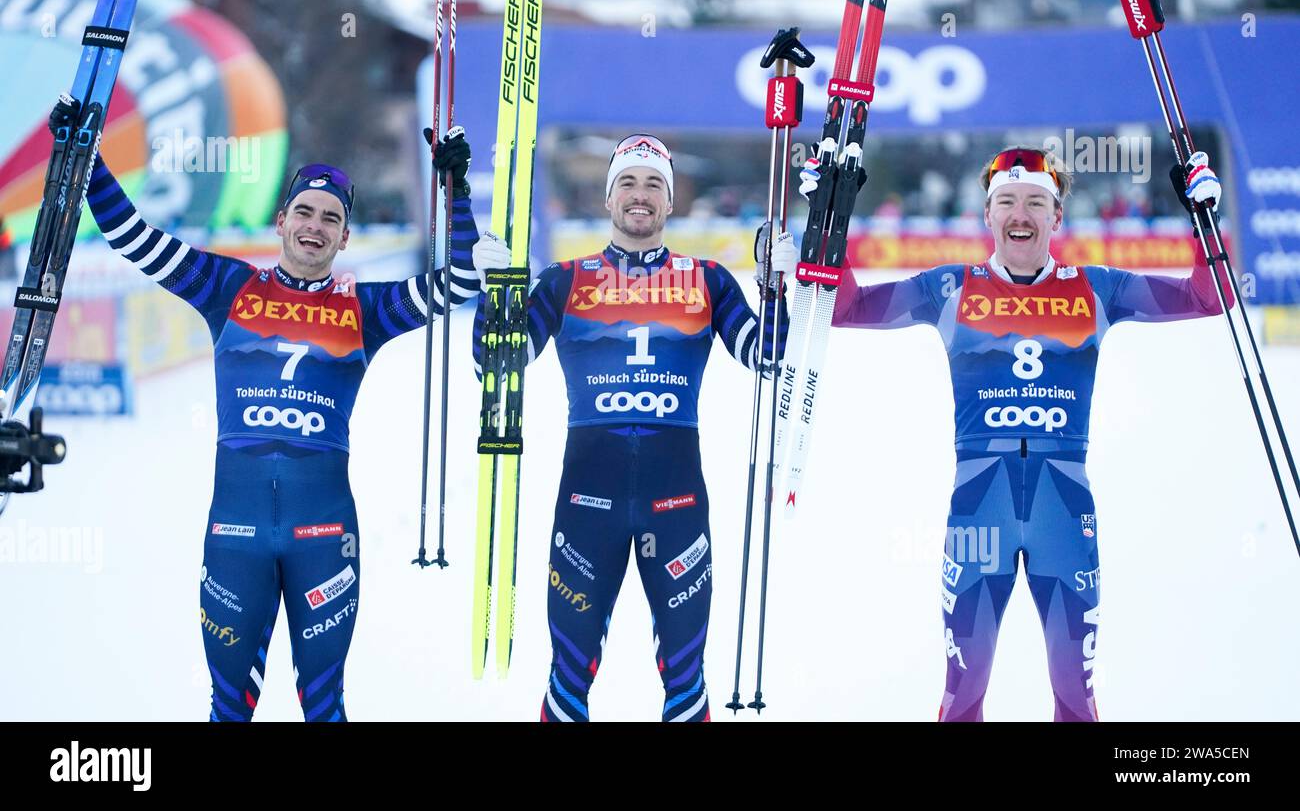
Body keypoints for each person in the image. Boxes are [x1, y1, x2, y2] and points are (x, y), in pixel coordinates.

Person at [73, 95, 482, 721]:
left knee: (323, 707)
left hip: (324, 536)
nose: (314, 225)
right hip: (234, 535)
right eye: (304, 212)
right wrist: (87, 155)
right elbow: (131, 237)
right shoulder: (228, 288)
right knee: (228, 707)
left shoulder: (364, 310)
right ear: (281, 220)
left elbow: (458, 283)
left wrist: (454, 189)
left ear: (345, 236)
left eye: (330, 218)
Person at [830, 146, 1231, 721]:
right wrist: (832, 222)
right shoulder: (951, 288)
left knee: (1076, 695)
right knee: (962, 693)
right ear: (988, 216)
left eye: (1036, 202)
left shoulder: (1097, 289)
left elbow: (1205, 297)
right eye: (1008, 202)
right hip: (978, 511)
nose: (1021, 214)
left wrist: (1202, 223)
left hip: (1063, 511)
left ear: (1057, 217)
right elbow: (847, 309)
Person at [472, 133, 795, 722]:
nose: (640, 195)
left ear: (670, 202)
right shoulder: (565, 280)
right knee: (568, 675)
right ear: (608, 197)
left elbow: (768, 358)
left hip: (676, 507)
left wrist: (777, 285)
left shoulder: (708, 279)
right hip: (585, 504)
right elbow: (496, 367)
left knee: (686, 677)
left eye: (654, 184)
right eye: (627, 182)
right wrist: (495, 295)